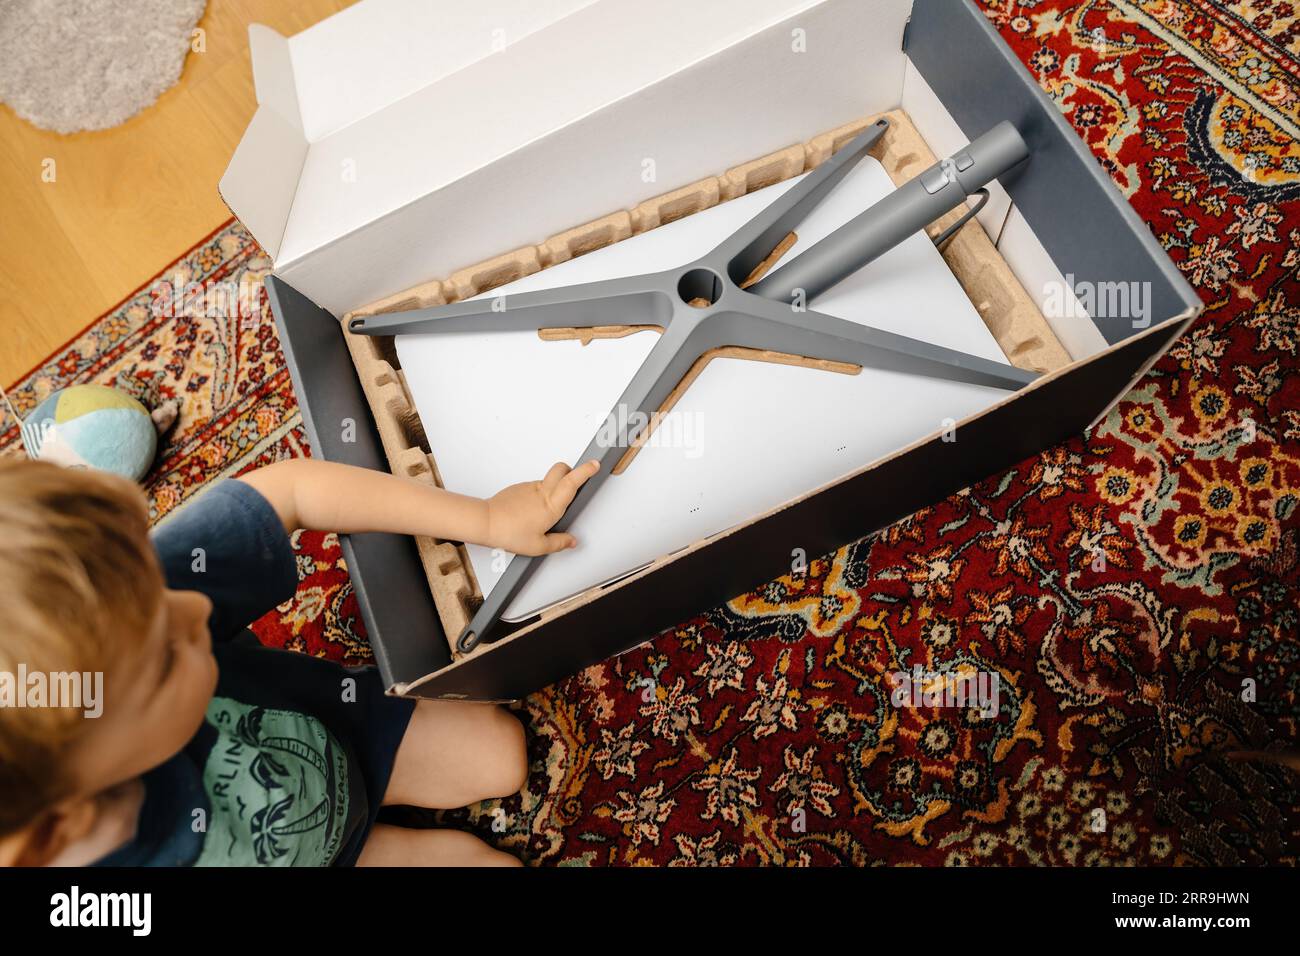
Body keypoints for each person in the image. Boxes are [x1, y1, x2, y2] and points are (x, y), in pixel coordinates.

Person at [0, 455, 599, 866]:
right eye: (164, 660)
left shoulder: (116, 603)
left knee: (501, 755)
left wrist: (484, 518)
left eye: (159, 588)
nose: (190, 612)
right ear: (62, 825)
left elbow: (289, 490)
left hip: (328, 733)